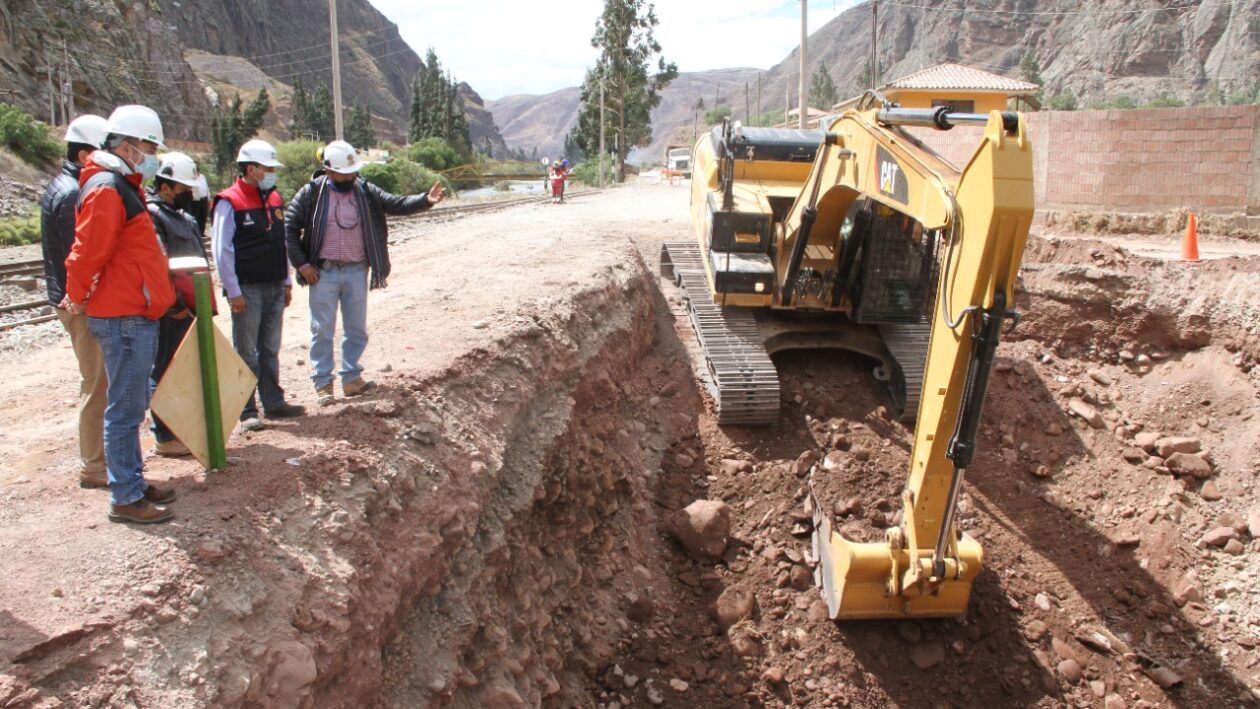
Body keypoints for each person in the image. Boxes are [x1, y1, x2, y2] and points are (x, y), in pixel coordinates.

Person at [63, 105, 178, 525]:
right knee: (124, 408)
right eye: (149, 146)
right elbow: (86, 251)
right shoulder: (107, 188)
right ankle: (125, 496)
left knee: (131, 404)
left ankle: (133, 480)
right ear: (128, 145)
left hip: (134, 310)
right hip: (123, 315)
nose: (152, 155)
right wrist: (76, 295)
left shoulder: (119, 184)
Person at [284, 140, 444, 406]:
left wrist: (424, 201)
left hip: (357, 270)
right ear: (328, 171)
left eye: (352, 172)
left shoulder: (365, 190)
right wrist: (302, 264)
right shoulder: (311, 192)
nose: (350, 177)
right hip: (322, 272)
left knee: (356, 328)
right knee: (322, 329)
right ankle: (323, 383)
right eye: (343, 174)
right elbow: (289, 228)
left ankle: (351, 378)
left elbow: (395, 203)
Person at [211, 139, 306, 431]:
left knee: (269, 348)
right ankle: (247, 410)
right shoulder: (229, 201)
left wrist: (287, 280)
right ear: (251, 169)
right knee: (246, 351)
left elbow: (281, 243)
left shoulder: (274, 198)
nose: (272, 173)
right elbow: (221, 250)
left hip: (274, 285)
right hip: (247, 289)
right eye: (267, 168)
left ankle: (274, 402)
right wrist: (234, 290)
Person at [40, 114, 109, 489]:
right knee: (97, 384)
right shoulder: (71, 194)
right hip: (79, 306)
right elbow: (78, 258)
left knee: (100, 382)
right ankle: (96, 467)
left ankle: (102, 460)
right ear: (86, 154)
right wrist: (81, 299)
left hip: (75, 302)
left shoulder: (67, 187)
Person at [147, 153, 209, 457]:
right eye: (183, 188)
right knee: (164, 370)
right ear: (165, 186)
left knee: (187, 369)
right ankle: (165, 435)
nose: (188, 194)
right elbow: (156, 267)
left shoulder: (185, 218)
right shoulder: (153, 217)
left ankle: (185, 427)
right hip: (171, 311)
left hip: (192, 308)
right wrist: (175, 305)